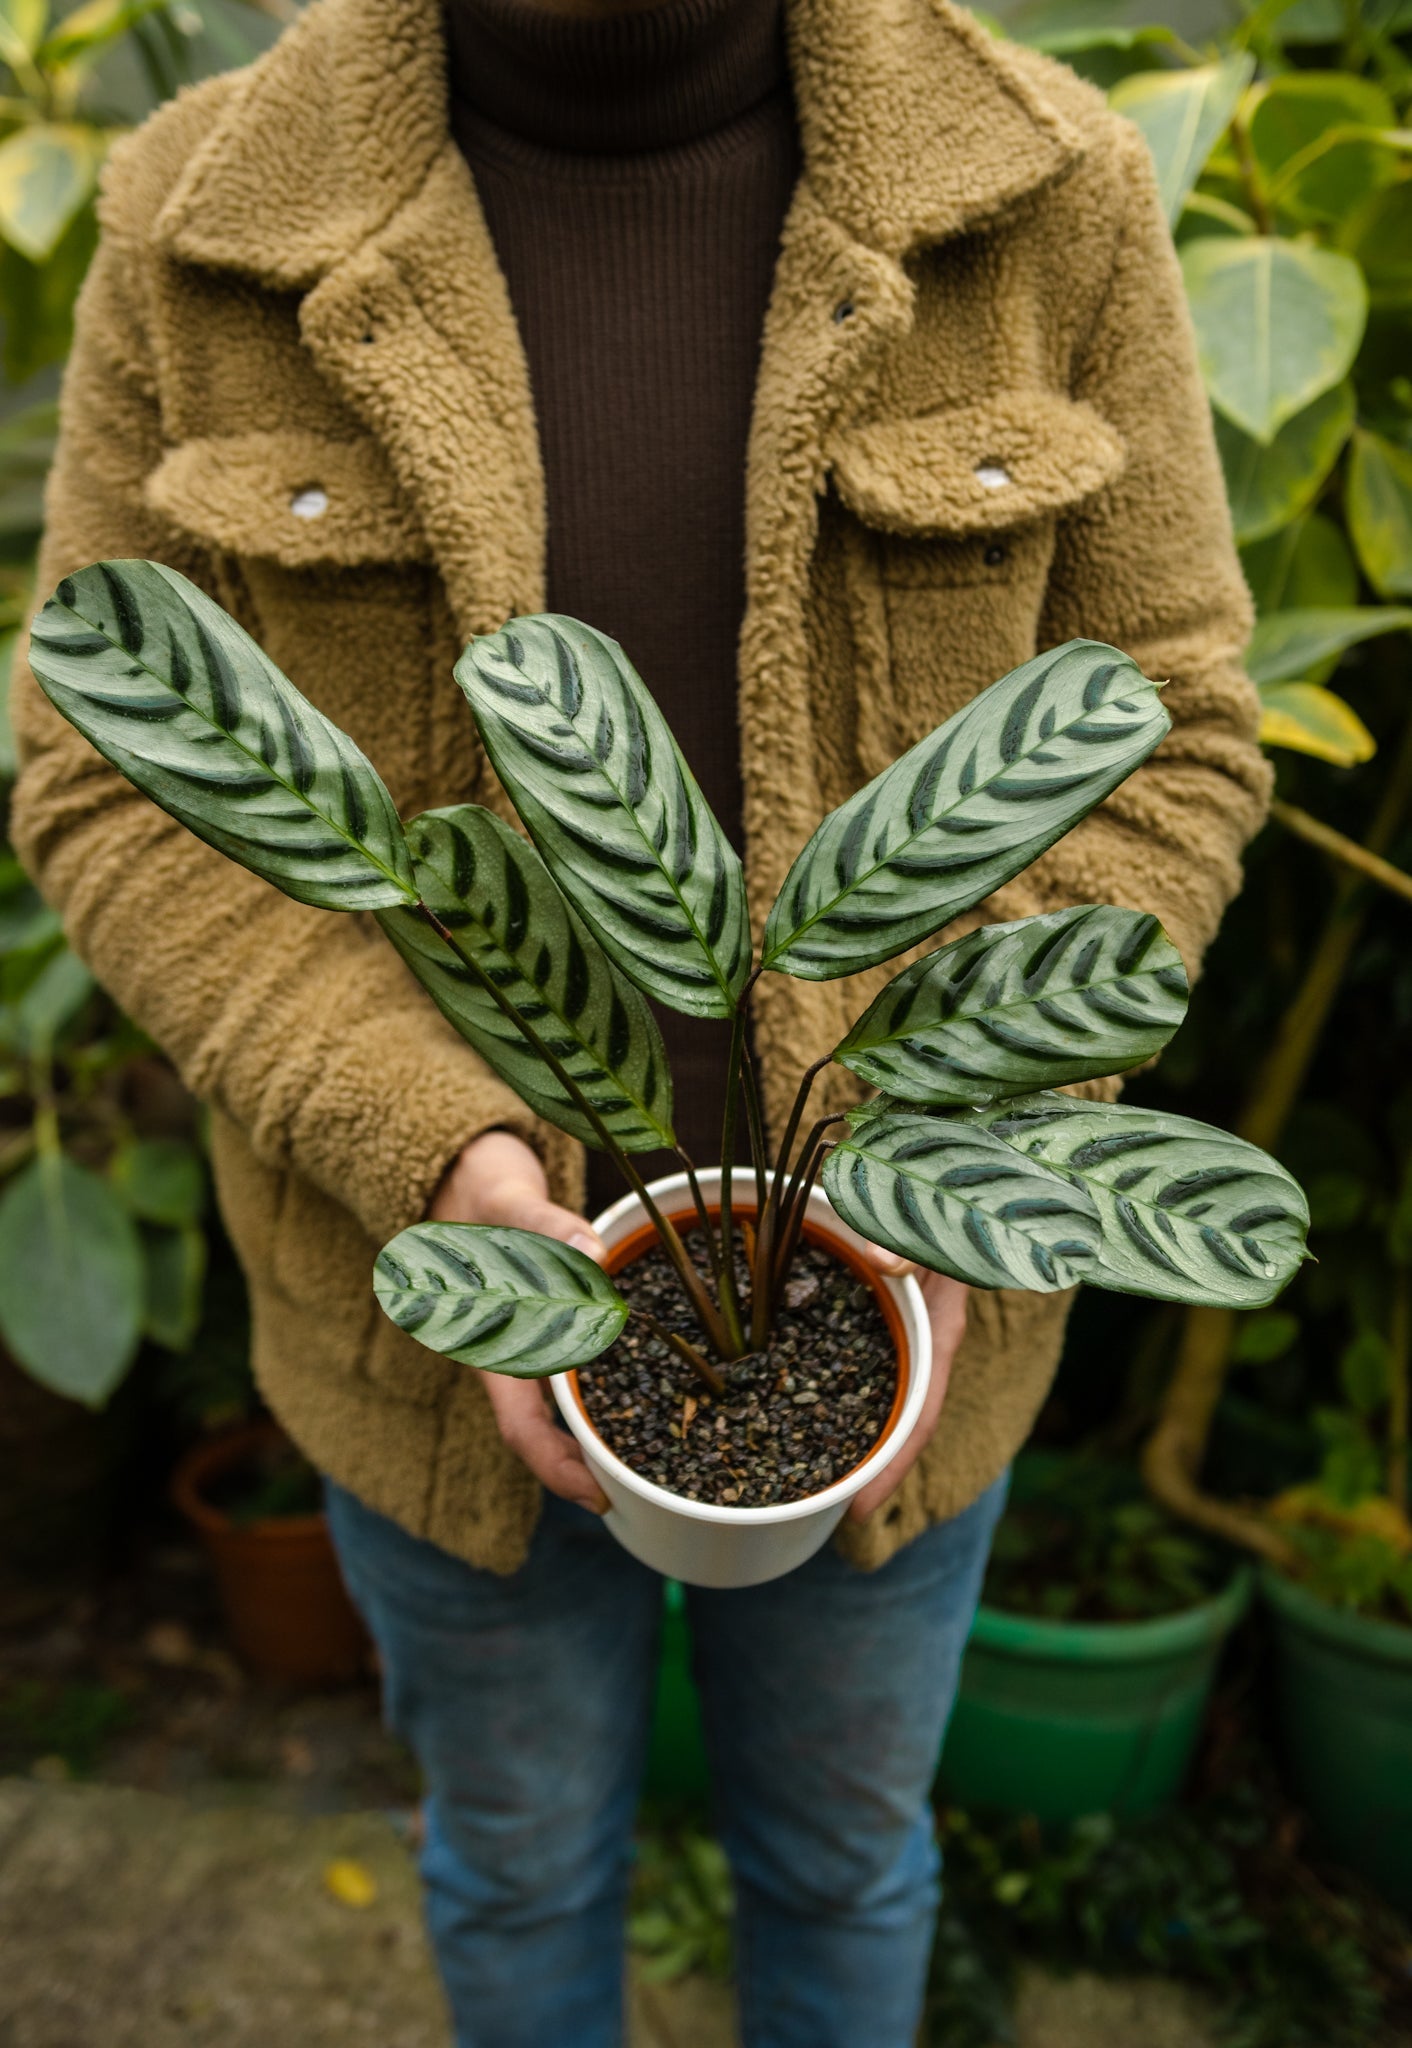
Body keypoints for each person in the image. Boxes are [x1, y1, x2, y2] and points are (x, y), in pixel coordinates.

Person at [11, 0, 1270, 2040]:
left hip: (899, 1317)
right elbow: (106, 780)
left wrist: (942, 1157)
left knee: (845, 1857)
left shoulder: (1046, 195)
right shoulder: (198, 217)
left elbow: (1173, 728)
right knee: (513, 1866)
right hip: (435, 1327)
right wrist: (434, 1146)